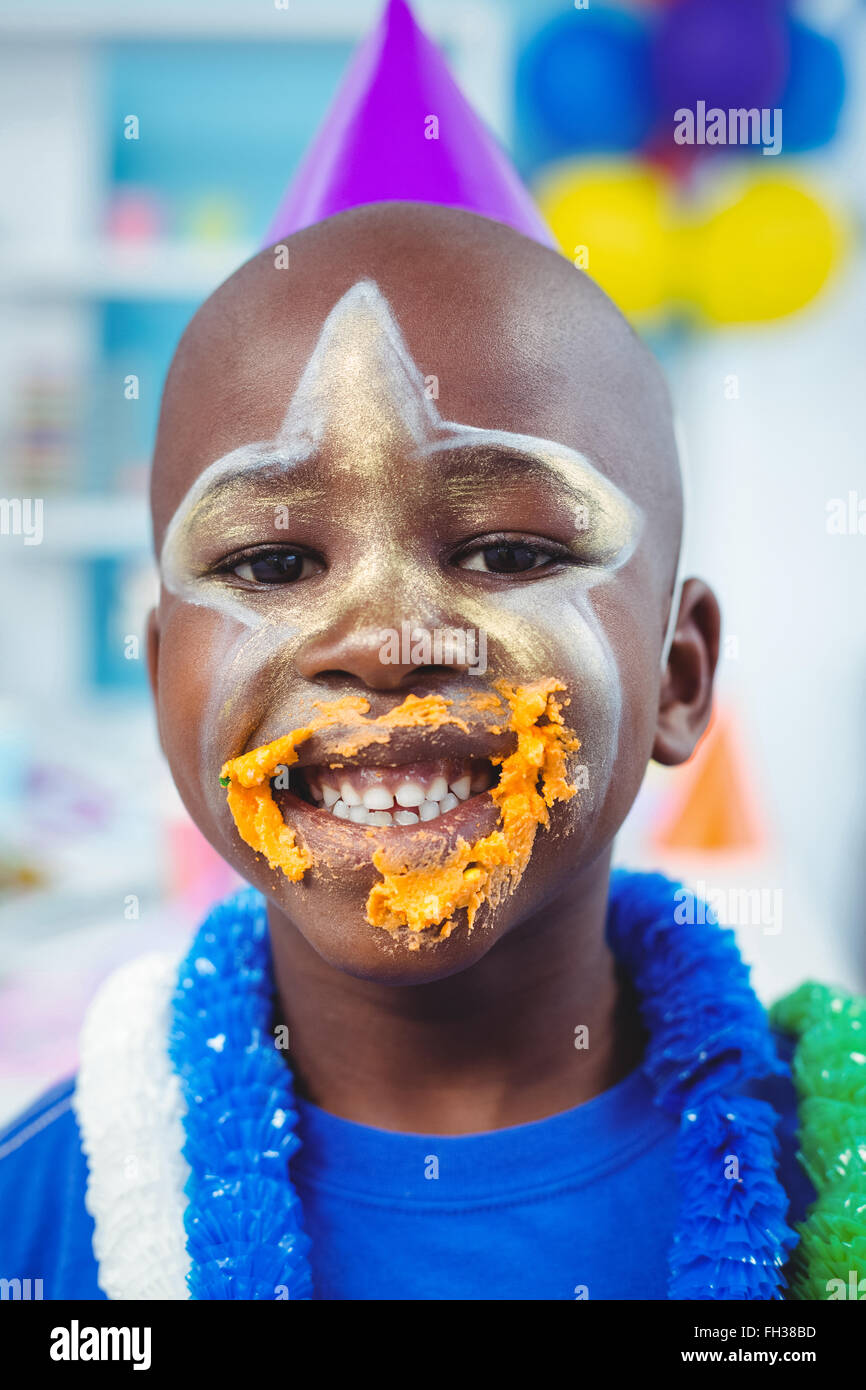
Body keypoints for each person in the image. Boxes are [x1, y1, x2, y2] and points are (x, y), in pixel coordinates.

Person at [0, 0, 860, 1303]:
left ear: (681, 675)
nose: (387, 642)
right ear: (161, 665)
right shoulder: (40, 1219)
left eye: (510, 551)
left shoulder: (831, 1175)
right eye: (273, 563)